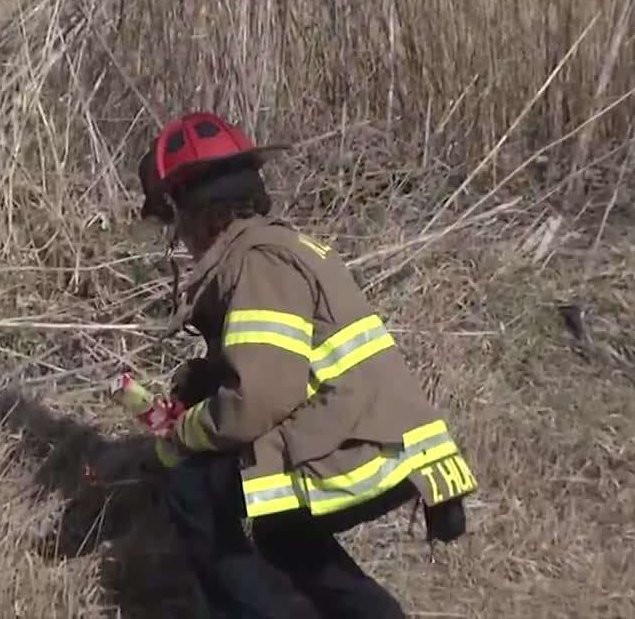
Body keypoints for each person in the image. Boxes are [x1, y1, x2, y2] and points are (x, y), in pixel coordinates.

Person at [135, 110, 476, 619]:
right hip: (378, 436)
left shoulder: (259, 264)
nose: (178, 238)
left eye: (175, 222)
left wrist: (183, 433)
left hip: (366, 443)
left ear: (201, 214)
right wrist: (203, 383)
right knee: (282, 532)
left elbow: (259, 400)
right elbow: (280, 364)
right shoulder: (273, 251)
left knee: (196, 488)